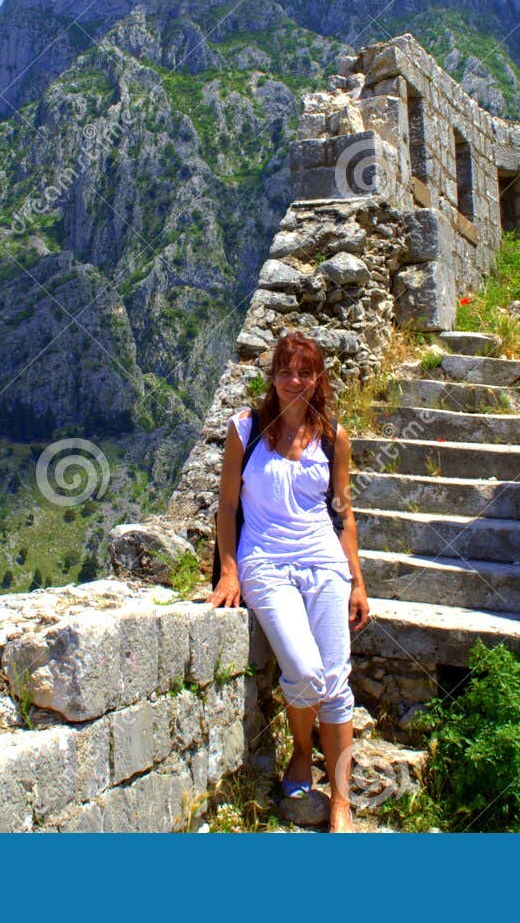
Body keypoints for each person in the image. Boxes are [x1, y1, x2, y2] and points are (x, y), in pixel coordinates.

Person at [207, 330, 370, 833]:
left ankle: (340, 799)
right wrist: (229, 570)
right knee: (303, 670)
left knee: (336, 681)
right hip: (265, 564)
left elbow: (342, 512)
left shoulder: (332, 436)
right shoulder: (246, 429)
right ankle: (303, 752)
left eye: (303, 371)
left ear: (317, 377)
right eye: (284, 370)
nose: (293, 380)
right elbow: (228, 506)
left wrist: (358, 581)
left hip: (324, 562)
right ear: (273, 376)